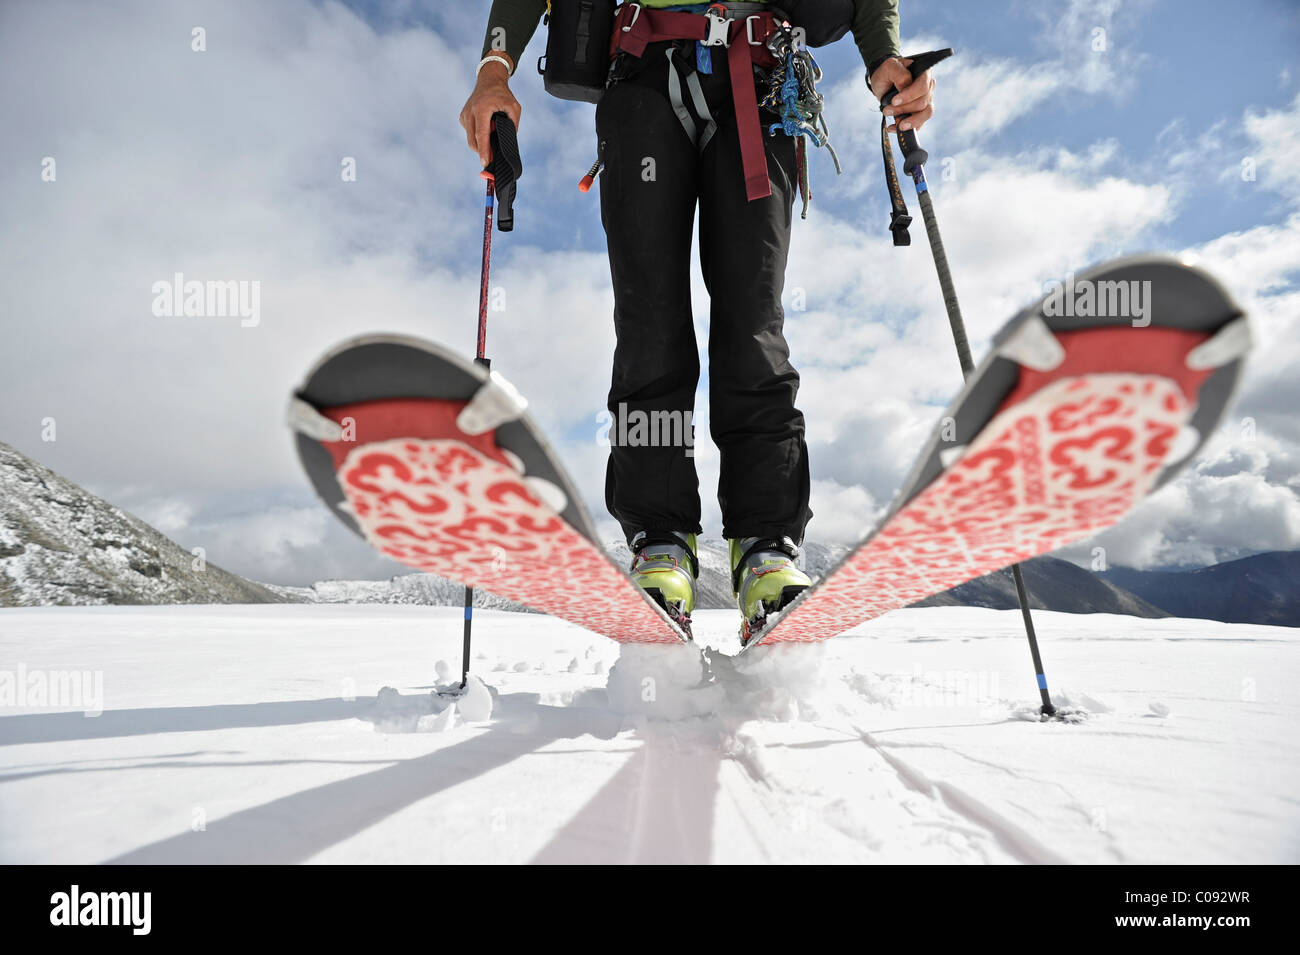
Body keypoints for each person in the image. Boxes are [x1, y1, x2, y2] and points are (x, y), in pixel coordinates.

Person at [460, 1, 935, 639]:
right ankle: (661, 539)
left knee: (753, 320)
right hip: (642, 75)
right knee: (648, 320)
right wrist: (496, 68)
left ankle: (767, 546)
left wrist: (883, 54)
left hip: (763, 78)